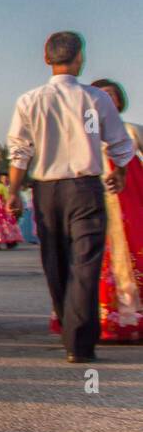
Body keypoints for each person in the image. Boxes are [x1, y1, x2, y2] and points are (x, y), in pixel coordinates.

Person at [7, 33, 135, 362]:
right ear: (79, 59)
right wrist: (119, 171)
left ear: (47, 59)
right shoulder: (95, 98)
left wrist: (13, 191)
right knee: (86, 262)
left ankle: (69, 329)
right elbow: (121, 145)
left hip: (46, 190)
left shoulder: (29, 100)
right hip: (86, 188)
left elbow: (20, 152)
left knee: (55, 262)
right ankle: (78, 343)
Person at [68, 79, 143, 343]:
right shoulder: (83, 131)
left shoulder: (133, 130)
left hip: (132, 197)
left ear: (120, 101)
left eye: (111, 95)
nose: (106, 99)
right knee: (97, 251)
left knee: (135, 248)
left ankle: (135, 315)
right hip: (96, 194)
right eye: (100, 95)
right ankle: (103, 317)